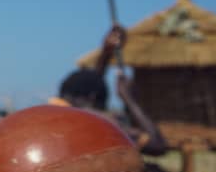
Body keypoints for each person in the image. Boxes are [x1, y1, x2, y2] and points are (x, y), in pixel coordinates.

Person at [55, 26, 168, 156]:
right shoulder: (104, 124)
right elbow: (158, 145)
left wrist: (106, 52)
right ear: (92, 98)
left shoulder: (55, 116)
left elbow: (93, 83)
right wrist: (128, 98)